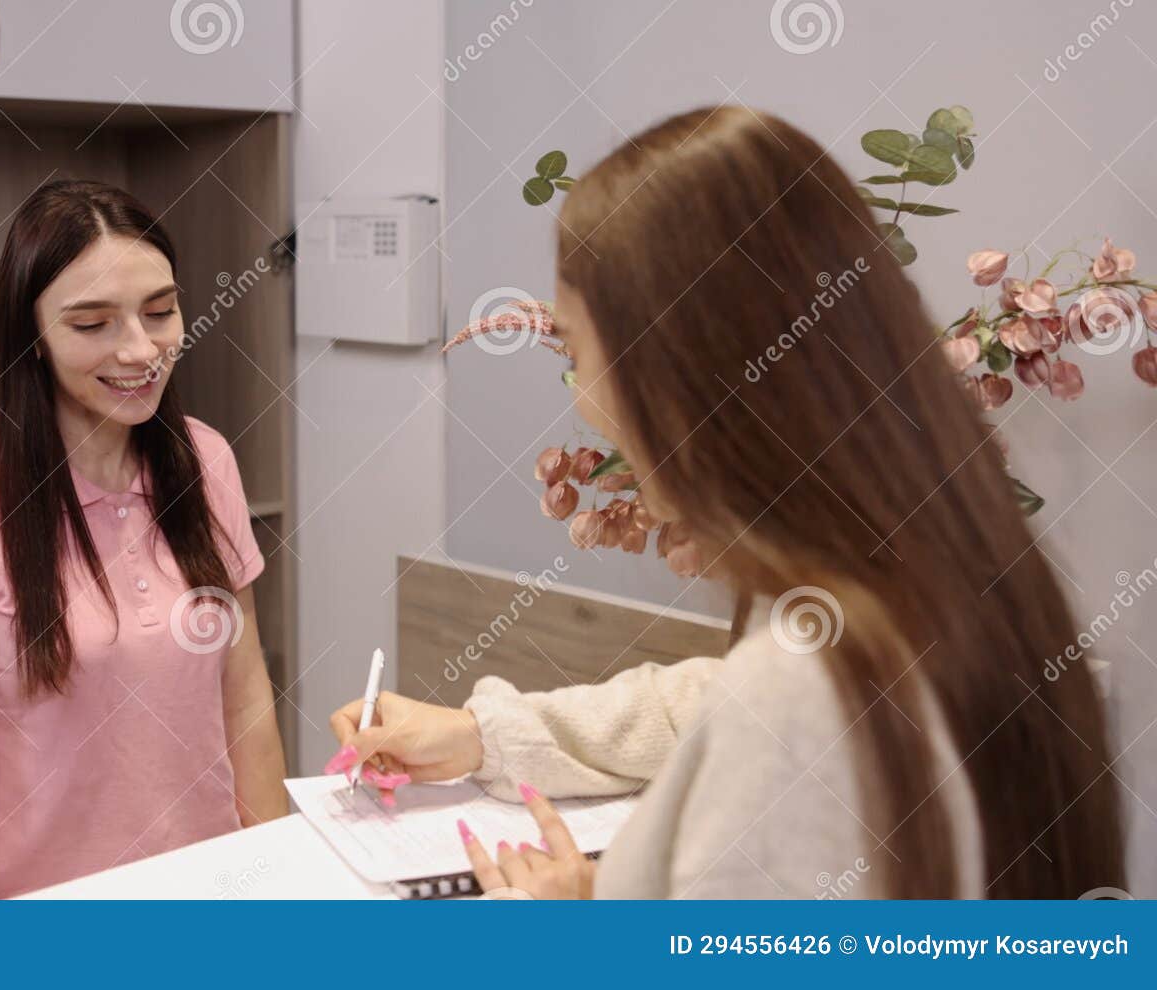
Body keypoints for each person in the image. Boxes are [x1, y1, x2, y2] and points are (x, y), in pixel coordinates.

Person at [327, 106, 1124, 899]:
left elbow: (767, 723)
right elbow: (709, 707)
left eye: (576, 350)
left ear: (679, 371)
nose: (582, 402)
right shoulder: (952, 583)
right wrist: (484, 736)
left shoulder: (802, 696)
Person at [0, 180, 287, 899]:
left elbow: (246, 700)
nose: (141, 349)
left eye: (160, 312)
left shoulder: (206, 460)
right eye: (92, 324)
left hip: (217, 892)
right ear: (30, 337)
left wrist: (283, 892)